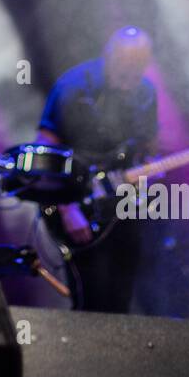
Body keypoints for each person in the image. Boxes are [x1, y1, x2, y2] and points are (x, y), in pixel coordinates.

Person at [37, 26, 159, 312]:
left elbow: (149, 149)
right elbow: (46, 152)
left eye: (138, 66)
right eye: (125, 64)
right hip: (77, 206)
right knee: (90, 299)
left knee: (120, 299)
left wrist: (152, 168)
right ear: (109, 56)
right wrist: (67, 209)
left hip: (123, 208)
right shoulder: (74, 86)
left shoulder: (145, 93)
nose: (131, 73)